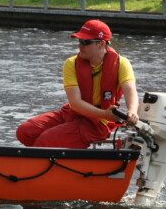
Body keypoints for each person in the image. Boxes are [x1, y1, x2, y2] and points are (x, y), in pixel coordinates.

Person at [16, 20, 139, 149]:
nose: (80, 46)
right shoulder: (71, 63)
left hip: (97, 124)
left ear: (101, 44)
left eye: (85, 42)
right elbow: (75, 102)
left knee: (46, 141)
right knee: (25, 132)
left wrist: (132, 111)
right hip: (73, 114)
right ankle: (57, 159)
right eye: (79, 41)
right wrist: (105, 113)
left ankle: (44, 160)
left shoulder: (121, 63)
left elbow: (130, 90)